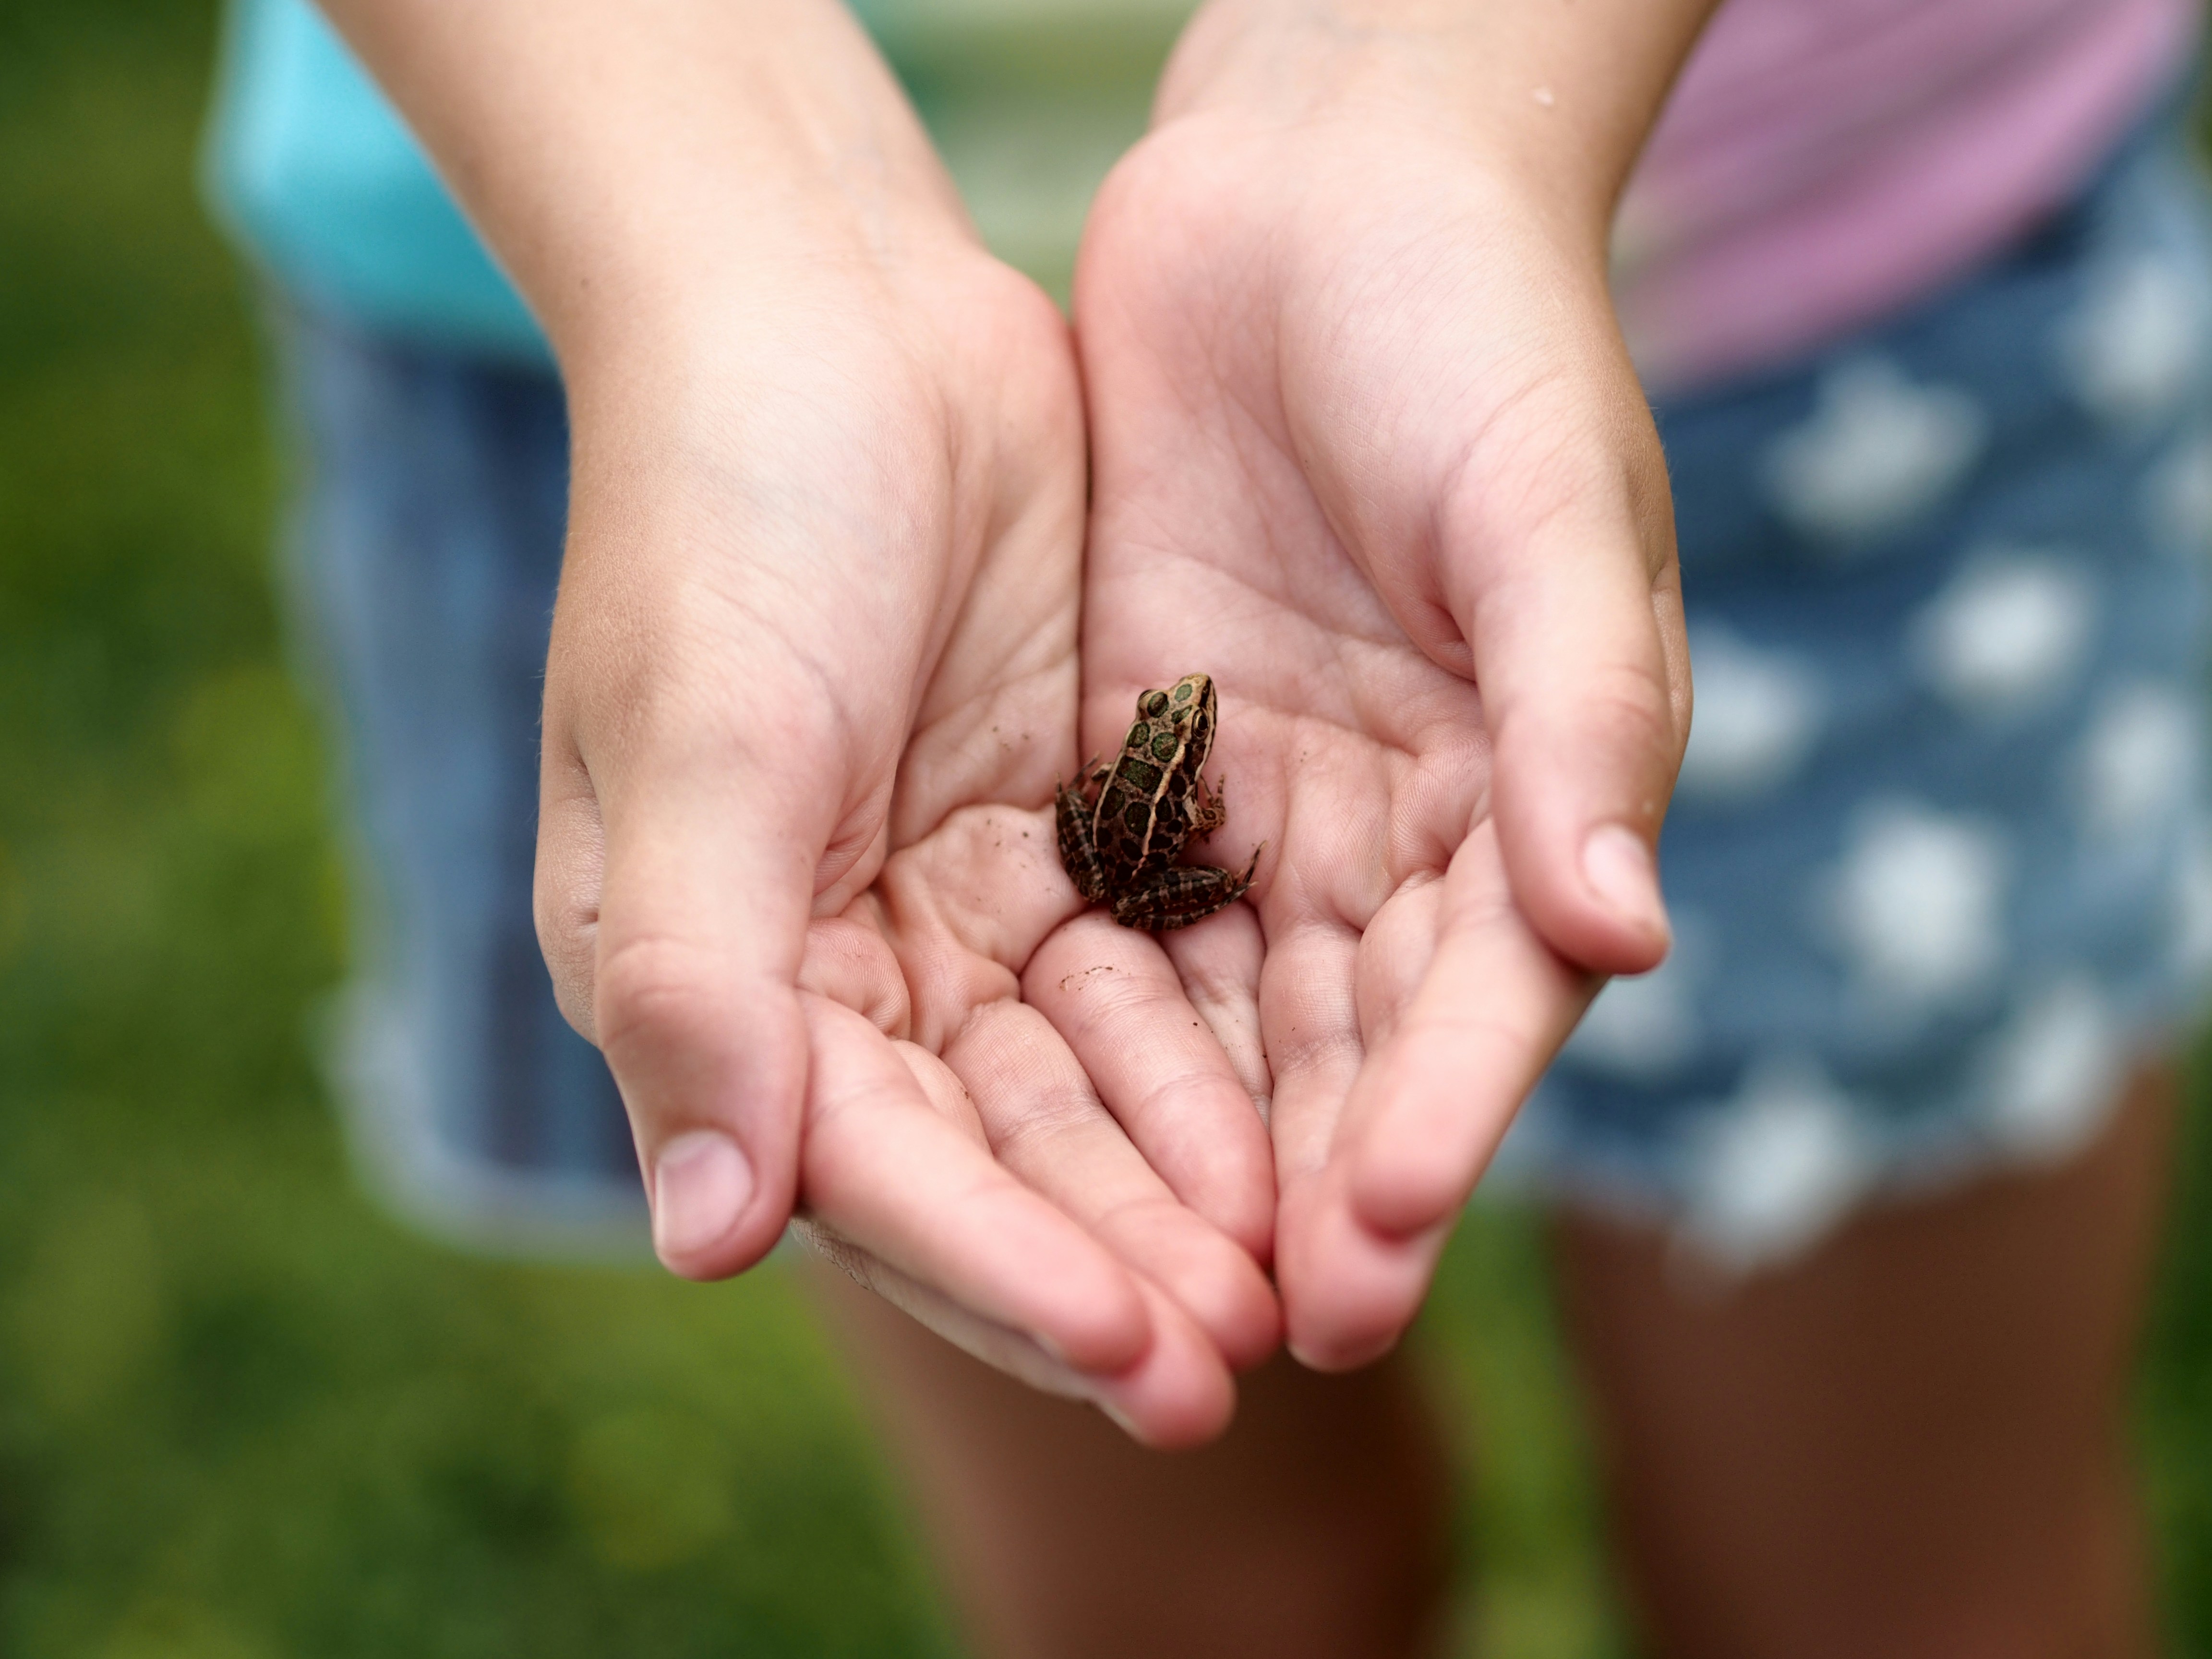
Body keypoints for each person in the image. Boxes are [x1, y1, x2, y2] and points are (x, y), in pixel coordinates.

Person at [205, 0, 2212, 1650]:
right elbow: (1122, 822)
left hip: (1833, 229)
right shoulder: (1115, 781)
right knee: (1187, 1599)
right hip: (635, 252)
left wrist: (1426, 85)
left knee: (1905, 1580)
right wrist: (734, 234)